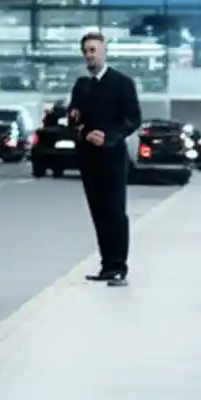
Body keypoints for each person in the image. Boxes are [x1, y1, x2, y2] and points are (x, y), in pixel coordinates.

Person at [67, 31, 141, 286]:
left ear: (104, 51)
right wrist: (86, 132)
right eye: (86, 51)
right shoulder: (81, 86)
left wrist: (108, 137)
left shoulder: (122, 83)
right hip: (88, 158)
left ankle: (119, 265)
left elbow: (133, 119)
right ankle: (106, 265)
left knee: (115, 211)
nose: (90, 55)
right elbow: (73, 119)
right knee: (98, 211)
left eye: (94, 50)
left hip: (113, 157)